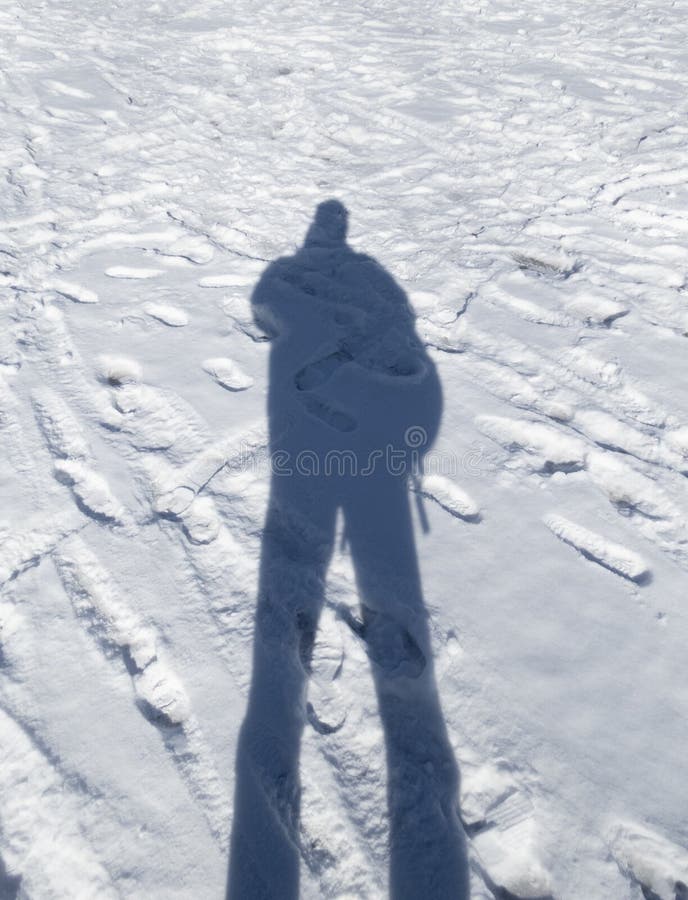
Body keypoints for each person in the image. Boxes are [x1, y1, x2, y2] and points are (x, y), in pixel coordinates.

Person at [227, 200, 468, 899]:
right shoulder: (371, 275)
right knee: (377, 559)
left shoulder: (300, 272)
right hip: (366, 461)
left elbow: (264, 304)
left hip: (315, 448)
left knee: (310, 545)